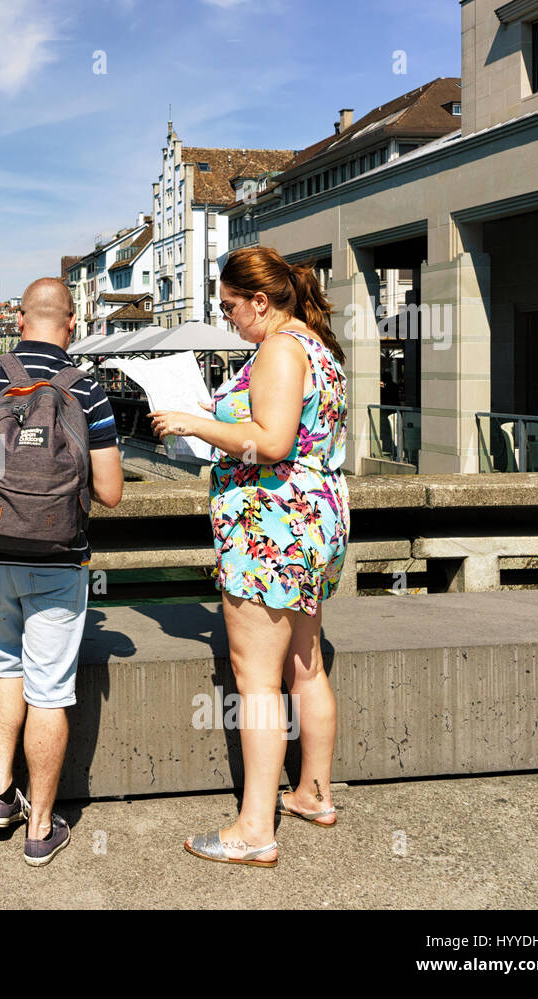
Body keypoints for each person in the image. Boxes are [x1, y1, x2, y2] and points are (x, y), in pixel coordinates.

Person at [150, 246, 349, 868]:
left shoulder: (281, 350)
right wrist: (218, 414)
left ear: (260, 301)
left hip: (272, 527)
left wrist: (196, 422)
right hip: (313, 519)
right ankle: (313, 794)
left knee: (256, 679)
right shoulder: (318, 347)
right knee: (304, 664)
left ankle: (254, 828)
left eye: (232, 306)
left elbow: (271, 441)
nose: (229, 317)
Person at [0, 277, 124, 867]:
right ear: (71, 323)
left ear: (20, 321)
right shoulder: (87, 389)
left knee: (3, 667)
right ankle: (40, 829)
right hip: (59, 557)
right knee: (50, 690)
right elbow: (113, 493)